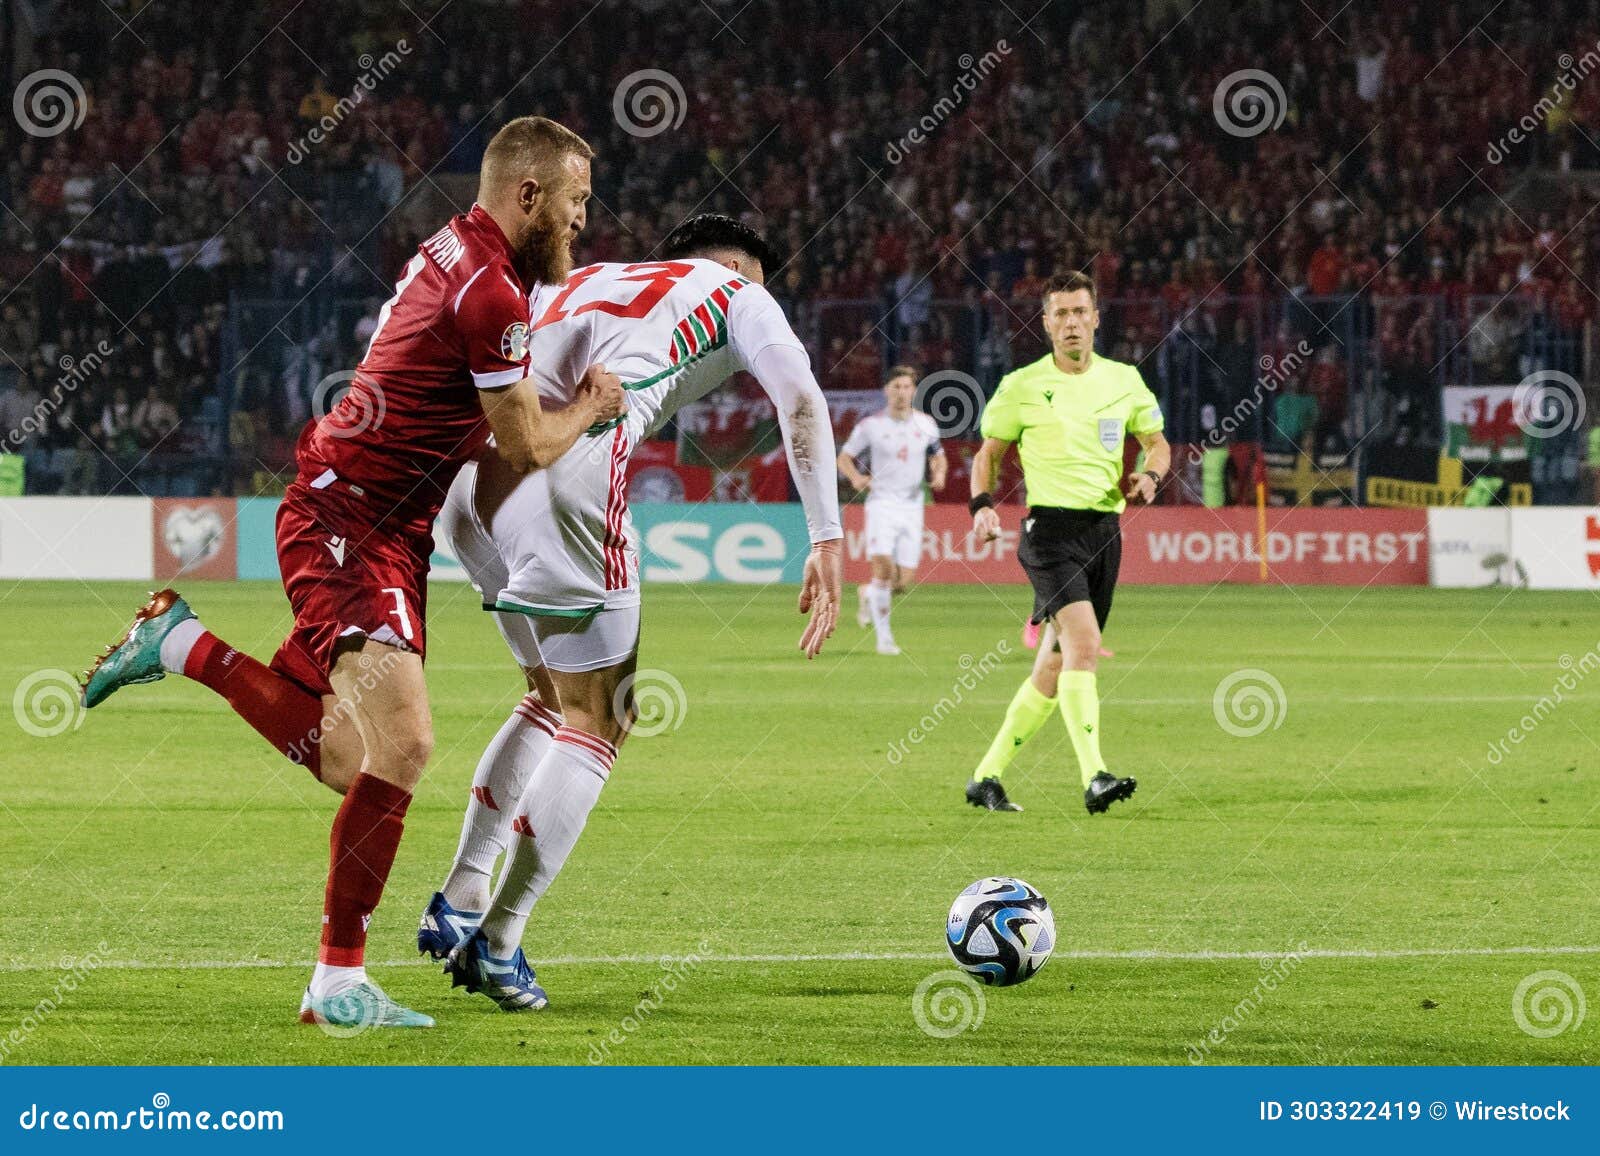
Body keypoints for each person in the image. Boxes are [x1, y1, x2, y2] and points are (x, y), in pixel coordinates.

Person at [76, 116, 626, 1029]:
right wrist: (597, 407)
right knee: (404, 745)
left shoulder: (458, 251)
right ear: (528, 195)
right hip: (348, 520)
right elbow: (524, 440)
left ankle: (184, 646)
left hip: (386, 529)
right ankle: (337, 982)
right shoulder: (491, 292)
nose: (581, 221)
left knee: (351, 761)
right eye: (574, 203)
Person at [419, 213, 842, 1010]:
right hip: (566, 472)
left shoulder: (586, 277)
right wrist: (825, 535)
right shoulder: (734, 292)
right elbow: (801, 398)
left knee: (550, 696)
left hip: (470, 479)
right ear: (738, 268)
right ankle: (499, 943)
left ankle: (462, 895)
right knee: (602, 714)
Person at [965, 271, 1169, 814]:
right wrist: (982, 506)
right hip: (1049, 533)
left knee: (1054, 666)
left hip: (1104, 533)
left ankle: (986, 777)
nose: (1072, 322)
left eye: (1081, 311)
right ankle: (1094, 775)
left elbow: (1157, 443)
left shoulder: (1124, 380)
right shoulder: (1022, 385)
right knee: (1083, 644)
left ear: (1096, 317)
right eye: (1061, 313)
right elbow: (987, 454)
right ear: (1047, 322)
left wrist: (1151, 476)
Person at [836, 365, 946, 655]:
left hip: (912, 506)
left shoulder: (926, 425)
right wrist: (857, 477)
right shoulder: (871, 426)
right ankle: (884, 639)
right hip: (881, 503)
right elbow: (844, 458)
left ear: (914, 391)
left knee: (902, 581)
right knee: (883, 565)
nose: (901, 393)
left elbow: (938, 457)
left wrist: (939, 473)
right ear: (886, 390)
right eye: (895, 387)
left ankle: (868, 593)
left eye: (906, 387)